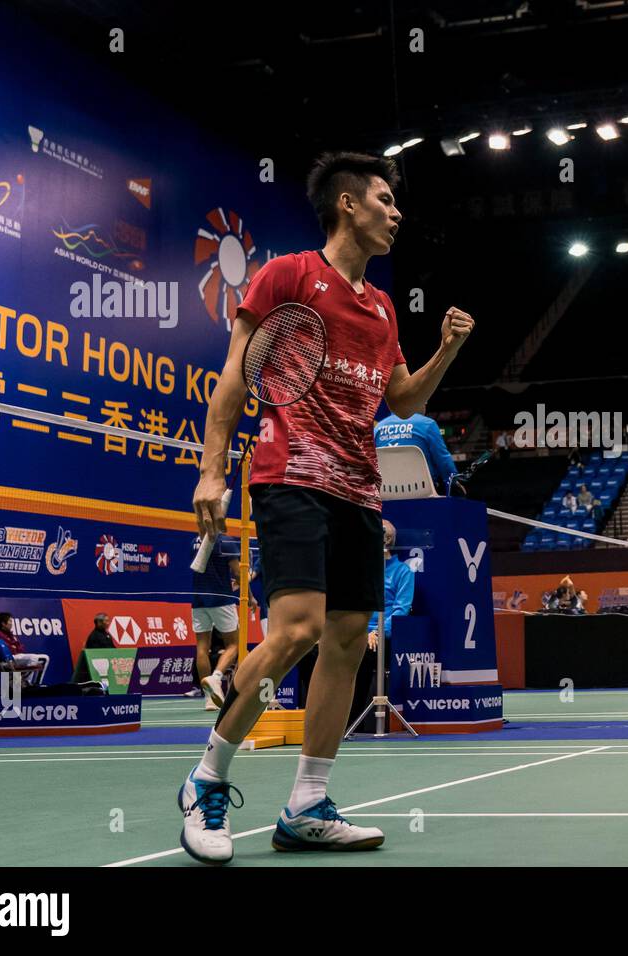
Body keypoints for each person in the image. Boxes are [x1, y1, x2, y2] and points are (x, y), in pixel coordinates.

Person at [182, 150, 473, 864]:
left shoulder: (378, 309)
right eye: (384, 198)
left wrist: (446, 351)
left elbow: (400, 399)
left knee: (344, 638)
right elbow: (234, 373)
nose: (396, 210)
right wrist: (211, 470)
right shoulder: (289, 276)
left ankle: (307, 803)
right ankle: (206, 779)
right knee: (296, 631)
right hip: (292, 476)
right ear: (348, 204)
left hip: (358, 488)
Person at [352, 520, 416, 722]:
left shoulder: (402, 572)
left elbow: (401, 610)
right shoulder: (362, 571)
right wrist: (361, 633)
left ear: (387, 539)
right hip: (359, 633)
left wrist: (377, 632)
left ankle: (351, 721)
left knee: (364, 654)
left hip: (384, 638)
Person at [191, 533, 242, 711]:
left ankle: (209, 700)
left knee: (202, 648)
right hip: (221, 599)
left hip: (198, 600)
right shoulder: (226, 541)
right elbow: (238, 573)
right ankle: (216, 677)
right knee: (235, 644)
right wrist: (249, 597)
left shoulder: (195, 541)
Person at [373, 411, 458, 494]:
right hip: (425, 494)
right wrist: (455, 484)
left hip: (386, 495)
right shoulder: (427, 424)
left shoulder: (377, 429)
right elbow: (445, 463)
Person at [0, 612, 49, 686]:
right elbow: (7, 651)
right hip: (9, 660)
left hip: (17, 656)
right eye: (10, 621)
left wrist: (14, 647)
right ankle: (25, 682)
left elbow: (20, 648)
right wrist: (14, 647)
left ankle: (37, 683)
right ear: (3, 623)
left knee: (45, 658)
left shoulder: (12, 635)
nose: (11, 623)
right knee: (34, 658)